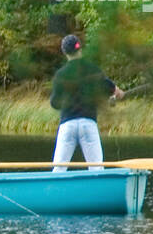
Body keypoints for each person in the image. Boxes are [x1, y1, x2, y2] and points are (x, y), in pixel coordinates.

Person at [50, 34, 125, 172]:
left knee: (59, 168)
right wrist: (117, 92)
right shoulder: (92, 69)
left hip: (67, 125)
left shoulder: (60, 75)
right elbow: (108, 87)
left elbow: (54, 103)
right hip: (88, 123)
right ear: (80, 50)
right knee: (96, 168)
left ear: (65, 52)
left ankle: (54, 190)